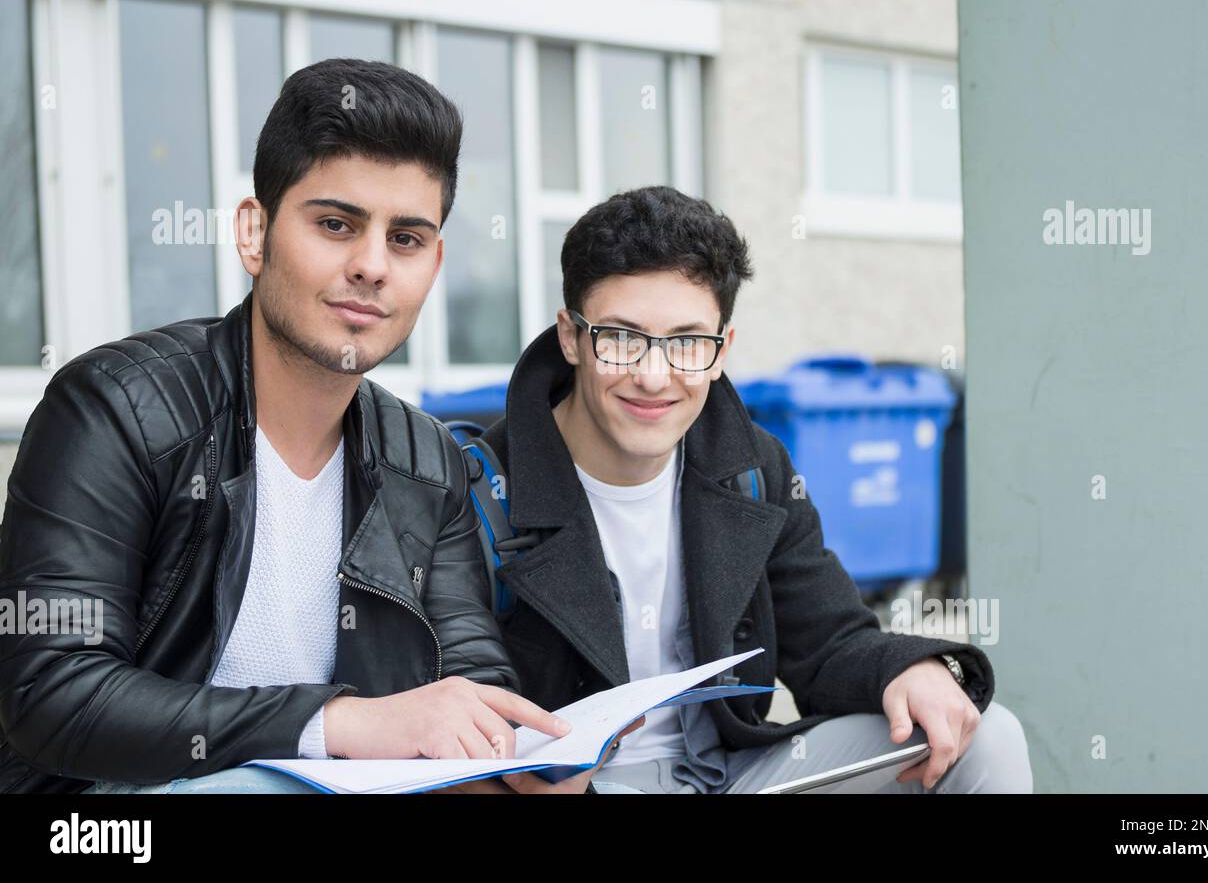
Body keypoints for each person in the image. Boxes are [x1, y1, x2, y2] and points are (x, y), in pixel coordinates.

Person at [0, 58, 596, 795]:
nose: (372, 266)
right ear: (254, 234)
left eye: (405, 239)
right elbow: (52, 694)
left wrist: (518, 756)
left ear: (433, 265)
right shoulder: (116, 409)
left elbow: (465, 674)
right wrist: (340, 724)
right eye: (336, 224)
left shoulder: (427, 459)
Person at [476, 186, 1034, 794]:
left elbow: (830, 641)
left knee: (985, 737)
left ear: (721, 352)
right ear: (570, 336)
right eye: (621, 337)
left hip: (732, 775)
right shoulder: (480, 485)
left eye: (688, 342)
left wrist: (914, 667)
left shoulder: (752, 466)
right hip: (574, 786)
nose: (654, 376)